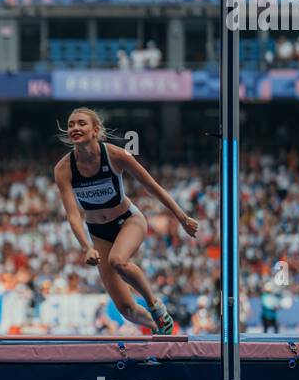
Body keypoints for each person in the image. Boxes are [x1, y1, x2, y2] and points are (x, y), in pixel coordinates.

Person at [54, 107, 196, 335]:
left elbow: (152, 187)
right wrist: (87, 246)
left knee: (118, 261)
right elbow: (73, 214)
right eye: (71, 124)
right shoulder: (63, 169)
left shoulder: (116, 155)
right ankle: (158, 327)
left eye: (81, 123)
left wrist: (181, 217)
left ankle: (155, 306)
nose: (75, 128)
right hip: (98, 232)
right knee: (126, 309)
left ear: (95, 130)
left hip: (128, 220)